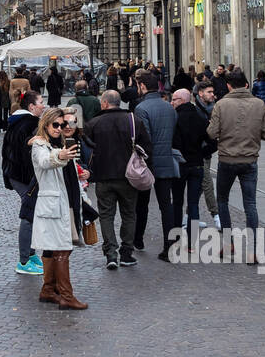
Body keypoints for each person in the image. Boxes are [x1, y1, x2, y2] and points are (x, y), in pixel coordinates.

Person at [206, 68, 265, 262]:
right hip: (250, 160)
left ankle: (228, 244)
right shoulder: (259, 104)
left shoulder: (221, 104)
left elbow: (211, 133)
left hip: (227, 159)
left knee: (223, 200)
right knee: (250, 204)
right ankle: (253, 251)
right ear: (246, 85)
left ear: (228, 86)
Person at [29, 109, 88, 310]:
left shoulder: (62, 143)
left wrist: (80, 172)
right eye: (55, 125)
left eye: (62, 125)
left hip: (67, 202)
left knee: (54, 247)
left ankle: (48, 289)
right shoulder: (39, 145)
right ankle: (66, 296)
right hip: (54, 205)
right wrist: (61, 155)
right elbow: (46, 162)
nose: (59, 128)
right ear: (45, 124)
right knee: (62, 248)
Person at [84, 89, 140, 269]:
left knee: (106, 215)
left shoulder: (94, 123)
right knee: (129, 214)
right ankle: (126, 252)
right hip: (128, 176)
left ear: (105, 103)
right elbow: (146, 146)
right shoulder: (133, 121)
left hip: (103, 176)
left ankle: (111, 254)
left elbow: (86, 150)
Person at [134, 73, 182, 261]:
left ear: (143, 86)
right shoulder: (169, 108)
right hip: (166, 161)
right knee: (166, 205)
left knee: (142, 204)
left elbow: (144, 139)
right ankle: (169, 246)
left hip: (148, 164)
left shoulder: (141, 108)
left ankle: (138, 239)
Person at [3, 90, 45, 276]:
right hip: (23, 175)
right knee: (29, 213)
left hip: (15, 174)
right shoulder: (30, 123)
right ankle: (24, 260)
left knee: (32, 213)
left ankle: (31, 254)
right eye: (41, 102)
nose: (43, 106)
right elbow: (25, 151)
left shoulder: (17, 121)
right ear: (31, 106)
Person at [171, 87, 215, 249]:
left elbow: (172, 142)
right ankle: (191, 243)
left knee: (177, 202)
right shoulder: (200, 117)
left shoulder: (175, 118)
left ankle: (175, 239)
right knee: (194, 204)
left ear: (182, 100)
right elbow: (213, 141)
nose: (171, 102)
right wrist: (202, 153)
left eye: (174, 99)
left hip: (180, 165)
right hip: (197, 164)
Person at [192, 80, 220, 222]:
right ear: (200, 93)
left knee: (200, 187)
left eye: (213, 92)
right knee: (207, 183)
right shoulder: (195, 109)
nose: (212, 95)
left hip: (208, 151)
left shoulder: (213, 109)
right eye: (209, 92)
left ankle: (187, 216)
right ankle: (216, 216)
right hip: (199, 152)